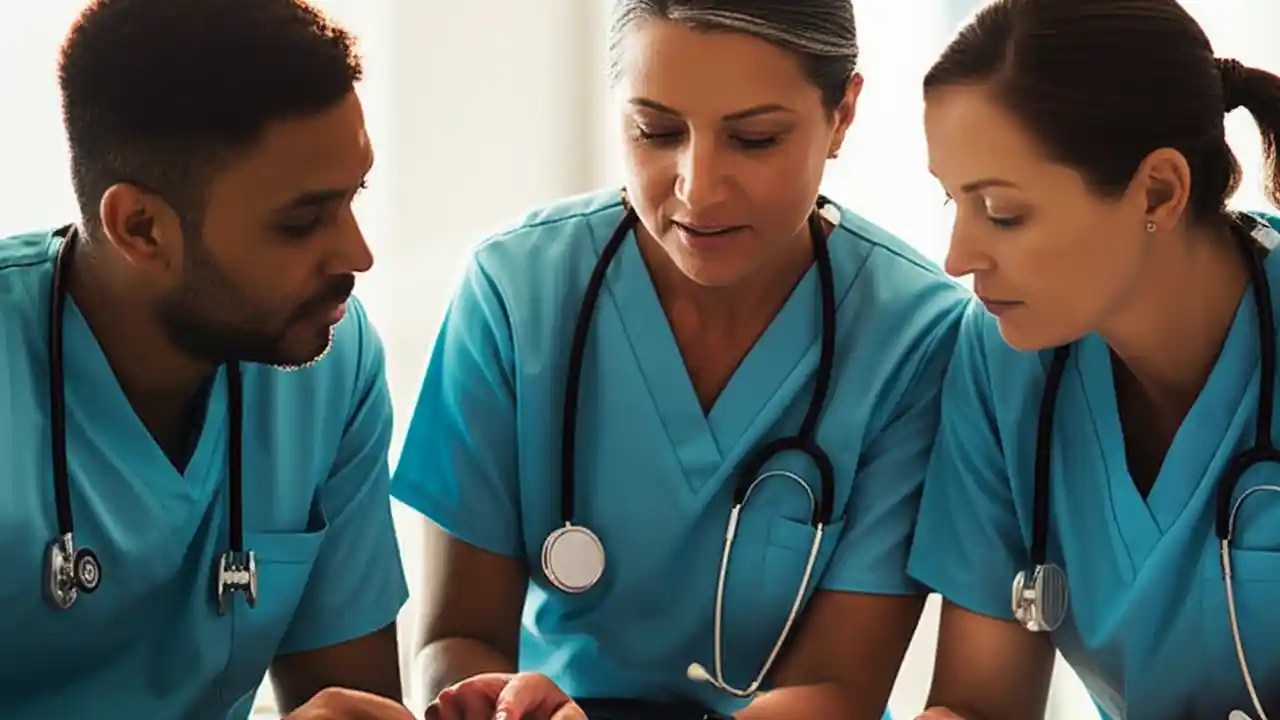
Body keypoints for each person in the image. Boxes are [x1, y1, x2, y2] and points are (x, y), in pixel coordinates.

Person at [389, 2, 970, 719]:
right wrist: (497, 707)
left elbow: (839, 689)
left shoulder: (916, 336)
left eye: (754, 139)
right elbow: (458, 638)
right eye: (656, 132)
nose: (698, 186)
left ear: (842, 114)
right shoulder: (515, 291)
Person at [0, 1, 412, 718]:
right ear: (142, 228)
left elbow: (353, 705)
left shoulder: (331, 366)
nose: (358, 254)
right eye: (302, 221)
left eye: (356, 196)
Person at [907, 0, 1280, 718]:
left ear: (1158, 191)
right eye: (952, 201)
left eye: (1003, 212)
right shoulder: (1003, 357)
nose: (957, 257)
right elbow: (981, 704)